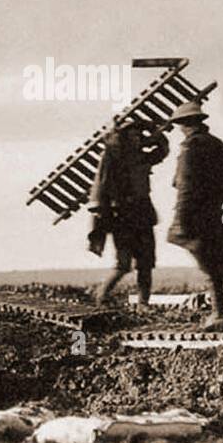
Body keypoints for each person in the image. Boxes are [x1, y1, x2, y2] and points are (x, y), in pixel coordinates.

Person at [166, 102, 223, 329]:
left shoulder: (190, 149)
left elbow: (185, 187)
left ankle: (220, 314)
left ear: (183, 124)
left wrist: (180, 221)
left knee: (207, 260)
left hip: (202, 215)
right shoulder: (220, 146)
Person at [90, 120, 169, 305]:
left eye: (138, 136)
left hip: (143, 214)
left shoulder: (142, 157)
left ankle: (143, 304)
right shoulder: (112, 157)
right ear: (124, 138)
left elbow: (163, 150)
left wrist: (152, 128)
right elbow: (102, 185)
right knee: (123, 264)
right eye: (132, 135)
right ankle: (100, 296)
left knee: (146, 264)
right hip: (122, 216)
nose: (136, 139)